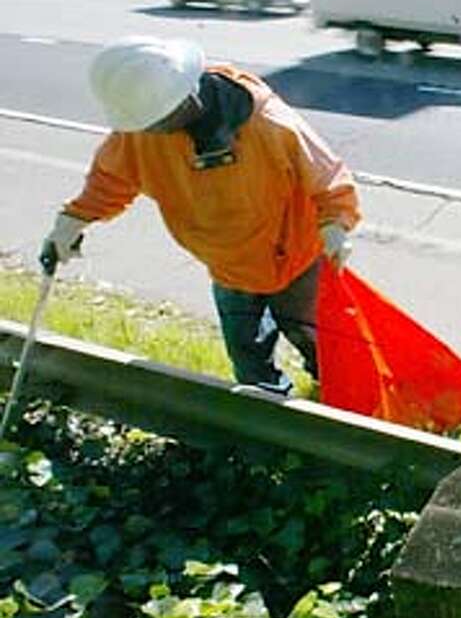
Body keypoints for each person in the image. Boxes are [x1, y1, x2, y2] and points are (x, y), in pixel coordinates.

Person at [40, 36, 360, 393]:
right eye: (146, 125)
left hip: (295, 261)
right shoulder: (144, 127)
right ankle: (269, 411)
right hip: (228, 268)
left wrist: (336, 225)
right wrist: (71, 221)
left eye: (158, 122)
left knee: (319, 344)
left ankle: (336, 397)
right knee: (248, 357)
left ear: (187, 97)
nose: (151, 132)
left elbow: (326, 174)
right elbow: (111, 178)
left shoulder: (268, 124)